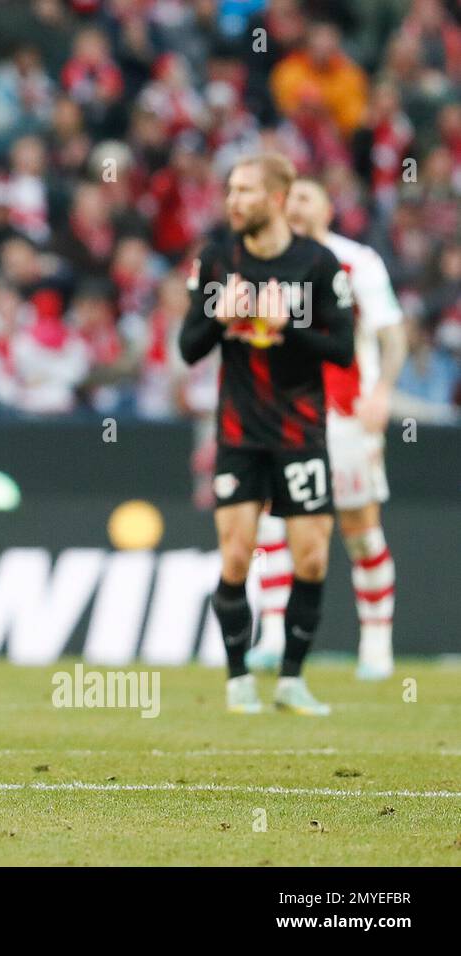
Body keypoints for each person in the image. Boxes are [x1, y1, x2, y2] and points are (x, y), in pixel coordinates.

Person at [178, 153, 354, 716]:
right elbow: (189, 348)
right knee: (236, 557)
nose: (233, 200)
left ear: (277, 199)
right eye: (231, 190)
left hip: (301, 432)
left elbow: (344, 350)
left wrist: (290, 327)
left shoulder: (319, 265)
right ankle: (236, 680)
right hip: (238, 432)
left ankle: (292, 681)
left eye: (247, 191)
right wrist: (219, 318)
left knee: (311, 560)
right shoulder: (215, 261)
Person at [247, 178, 406, 680]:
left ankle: (376, 643)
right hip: (287, 411)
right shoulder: (266, 262)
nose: (292, 206)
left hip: (346, 412)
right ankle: (272, 634)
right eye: (287, 197)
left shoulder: (358, 261)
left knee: (359, 529)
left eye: (303, 198)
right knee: (274, 518)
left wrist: (381, 393)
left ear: (328, 209)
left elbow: (391, 332)